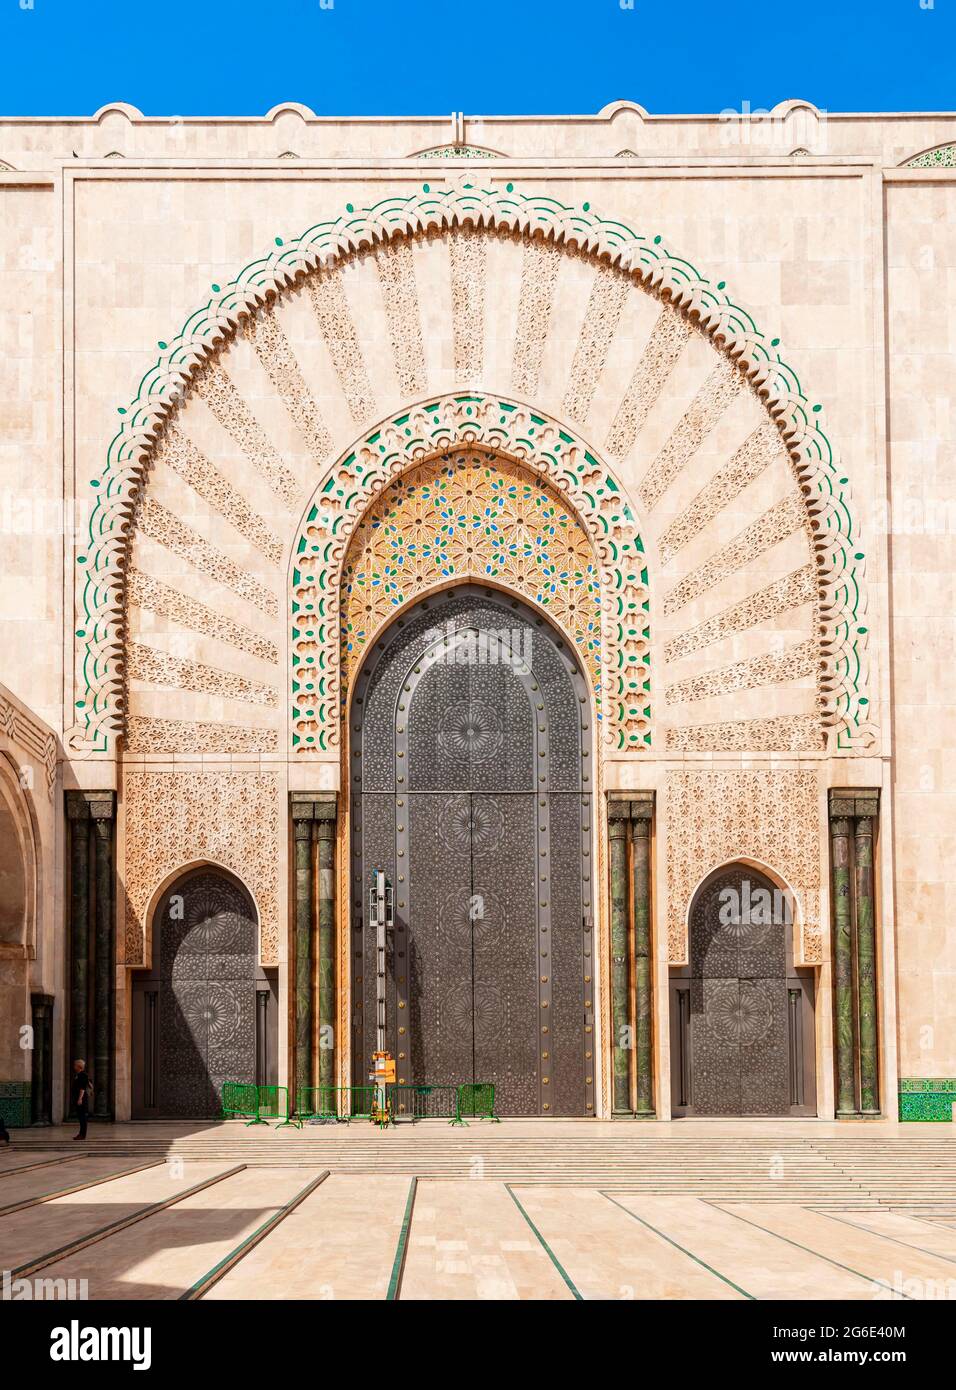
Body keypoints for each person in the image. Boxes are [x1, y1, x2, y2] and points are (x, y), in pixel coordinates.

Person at [72, 1059, 91, 1141]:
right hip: (80, 1098)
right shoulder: (79, 1075)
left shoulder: (82, 1075)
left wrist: (80, 1099)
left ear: (79, 1066)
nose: (74, 1066)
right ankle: (80, 1134)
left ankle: (82, 1135)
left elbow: (82, 1088)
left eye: (75, 1065)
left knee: (83, 1117)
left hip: (82, 1099)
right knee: (81, 1117)